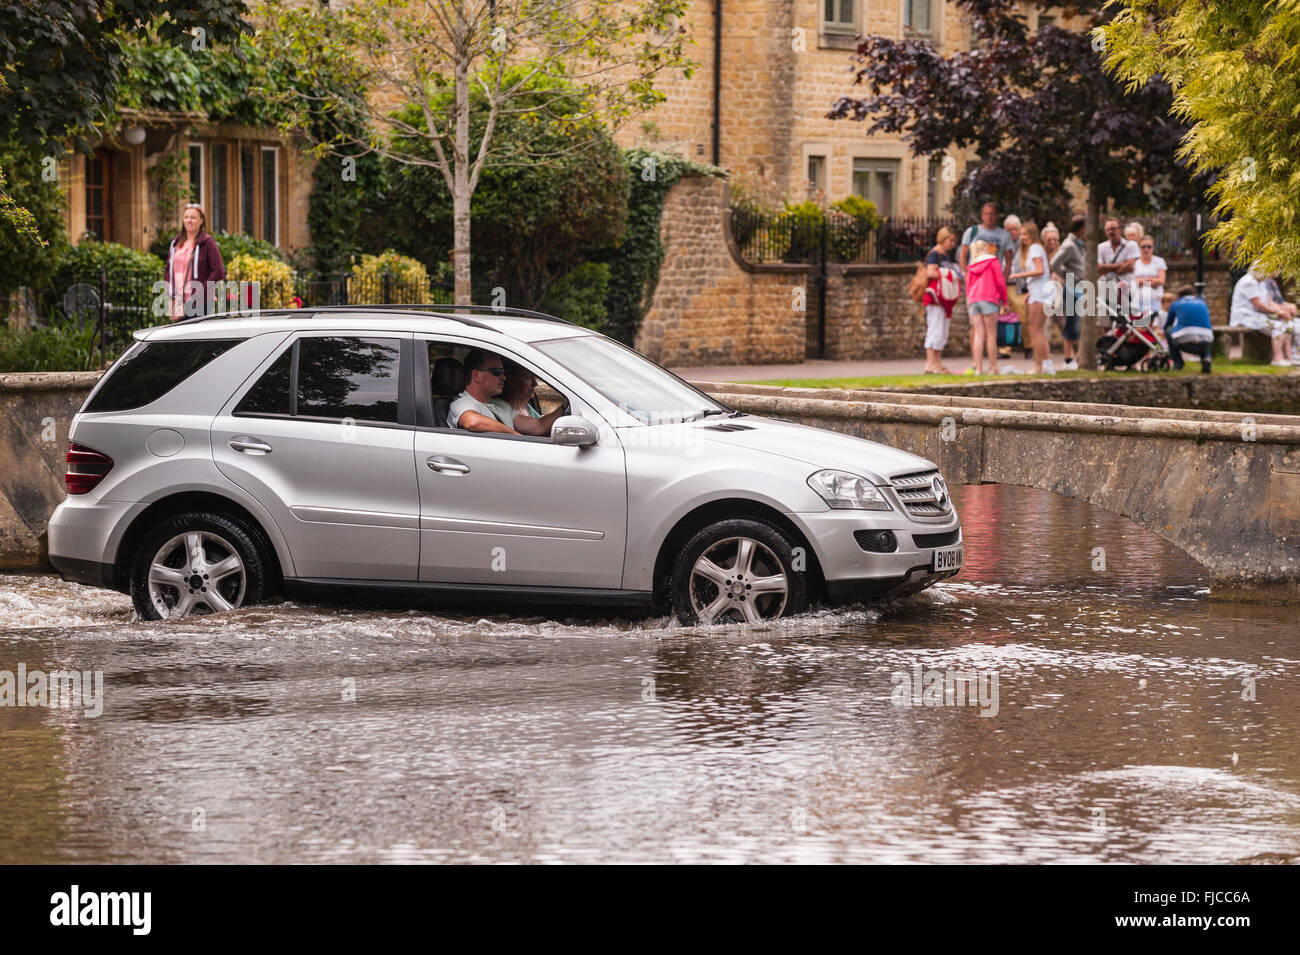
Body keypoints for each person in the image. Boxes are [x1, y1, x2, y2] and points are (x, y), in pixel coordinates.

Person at [165, 203, 225, 321]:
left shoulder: (207, 243)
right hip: (179, 302)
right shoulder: (176, 243)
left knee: (198, 338)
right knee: (179, 337)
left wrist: (200, 291)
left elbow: (218, 271)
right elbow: (168, 270)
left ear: (201, 220)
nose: (189, 220)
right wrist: (171, 294)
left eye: (193, 217)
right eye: (186, 217)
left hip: (200, 303)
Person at [1008, 220, 1054, 373]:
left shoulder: (1034, 248)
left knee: (1035, 330)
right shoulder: (1037, 249)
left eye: (1024, 234)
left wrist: (1018, 275)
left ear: (1031, 234)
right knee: (1038, 330)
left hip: (1040, 294)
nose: (1022, 237)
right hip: (1038, 292)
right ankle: (1047, 364)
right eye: (1021, 234)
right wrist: (1029, 292)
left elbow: (1040, 270)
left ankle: (1038, 366)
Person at [1230, 266, 1297, 366]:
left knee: (1287, 326)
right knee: (1279, 327)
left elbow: (1269, 302)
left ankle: (1289, 357)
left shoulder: (1260, 282)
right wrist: (1279, 313)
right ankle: (1277, 359)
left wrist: (1281, 312)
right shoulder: (1249, 282)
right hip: (1245, 317)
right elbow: (1259, 305)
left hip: (1256, 315)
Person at [922, 226, 962, 373]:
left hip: (944, 298)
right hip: (935, 297)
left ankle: (937, 363)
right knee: (935, 329)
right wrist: (948, 273)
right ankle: (930, 364)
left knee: (942, 331)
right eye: (950, 240)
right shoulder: (935, 254)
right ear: (943, 239)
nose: (952, 243)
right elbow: (930, 272)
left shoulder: (944, 255)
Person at [447, 349, 519, 432]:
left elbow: (534, 426)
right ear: (476, 375)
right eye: (497, 371)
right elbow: (473, 422)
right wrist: (515, 435)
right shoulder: (463, 403)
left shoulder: (502, 405)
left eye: (503, 371)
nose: (503, 377)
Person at [965, 239, 1008, 374]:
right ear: (985, 248)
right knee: (991, 335)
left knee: (978, 334)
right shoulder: (992, 261)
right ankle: (993, 367)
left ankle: (978, 368)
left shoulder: (972, 265)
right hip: (988, 298)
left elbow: (968, 286)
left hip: (973, 300)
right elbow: (1000, 282)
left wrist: (970, 300)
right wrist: (1005, 301)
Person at [1048, 216, 1086, 369]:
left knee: (1079, 324)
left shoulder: (1079, 244)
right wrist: (1067, 275)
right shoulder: (1069, 245)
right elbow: (1055, 262)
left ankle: (1079, 358)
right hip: (1072, 287)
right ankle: (1068, 359)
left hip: (1081, 287)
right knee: (1072, 323)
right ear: (1081, 229)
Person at [500, 360, 571, 436]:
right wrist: (565, 405)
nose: (535, 383)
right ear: (512, 380)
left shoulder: (526, 407)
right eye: (528, 378)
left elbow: (546, 427)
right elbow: (540, 426)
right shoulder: (501, 407)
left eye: (535, 378)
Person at [1164, 285, 1214, 373]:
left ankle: (1178, 363)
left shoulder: (1177, 304)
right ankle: (1206, 357)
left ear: (1179, 296)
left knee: (1168, 330)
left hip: (1185, 341)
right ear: (1194, 294)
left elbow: (1168, 324)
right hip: (1207, 340)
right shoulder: (1202, 302)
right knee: (1202, 332)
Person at [1097, 217, 1139, 320]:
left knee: (1126, 321)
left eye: (1113, 228)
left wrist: (1108, 268)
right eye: (1108, 229)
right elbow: (1099, 268)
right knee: (1105, 321)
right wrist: (1122, 265)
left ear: (1120, 229)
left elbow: (1130, 266)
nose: (1111, 232)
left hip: (1125, 290)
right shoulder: (1101, 247)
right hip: (1106, 289)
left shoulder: (1131, 245)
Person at [958, 202, 1014, 271]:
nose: (989, 217)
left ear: (997, 216)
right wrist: (965, 275)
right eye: (986, 214)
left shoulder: (1005, 235)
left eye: (992, 214)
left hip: (994, 276)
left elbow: (1009, 262)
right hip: (975, 275)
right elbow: (963, 256)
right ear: (982, 215)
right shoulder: (971, 232)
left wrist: (1004, 279)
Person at [1130, 236, 1168, 321]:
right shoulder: (1135, 263)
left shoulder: (1159, 261)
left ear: (1153, 247)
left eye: (1149, 246)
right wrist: (1152, 280)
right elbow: (1132, 282)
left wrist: (1141, 281)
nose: (1146, 249)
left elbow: (1161, 281)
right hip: (1137, 301)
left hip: (1155, 301)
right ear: (1139, 248)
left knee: (1154, 327)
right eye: (1143, 247)